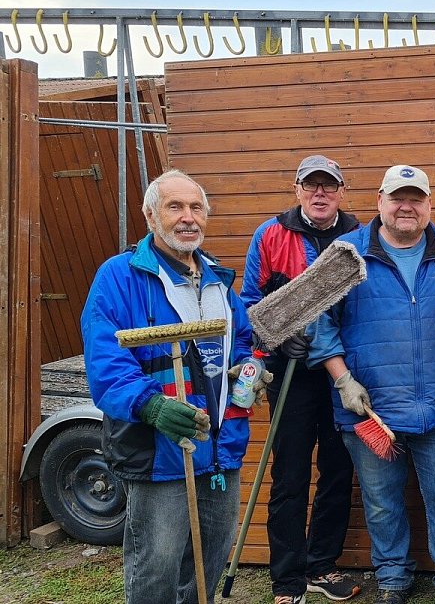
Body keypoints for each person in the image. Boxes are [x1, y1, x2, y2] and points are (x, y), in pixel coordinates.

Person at [82, 170, 258, 604]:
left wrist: (247, 369)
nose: (188, 218)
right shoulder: (120, 276)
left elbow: (240, 340)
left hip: (218, 447)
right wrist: (151, 405)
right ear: (150, 215)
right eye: (174, 207)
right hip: (158, 449)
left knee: (208, 562)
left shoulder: (217, 278)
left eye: (196, 208)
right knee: (156, 566)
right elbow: (106, 358)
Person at [308, 165, 435, 604]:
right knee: (382, 501)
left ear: (429, 204)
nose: (407, 207)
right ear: (379, 201)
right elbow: (320, 324)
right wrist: (343, 380)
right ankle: (393, 580)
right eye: (397, 197)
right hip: (370, 409)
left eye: (416, 198)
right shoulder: (346, 254)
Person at [242, 155, 362, 604]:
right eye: (311, 185)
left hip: (341, 373)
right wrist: (274, 337)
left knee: (338, 471)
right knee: (290, 474)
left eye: (328, 186)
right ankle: (288, 580)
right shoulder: (270, 234)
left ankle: (321, 566)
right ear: (297, 190)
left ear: (341, 192)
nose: (320, 193)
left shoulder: (358, 236)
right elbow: (250, 303)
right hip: (289, 374)